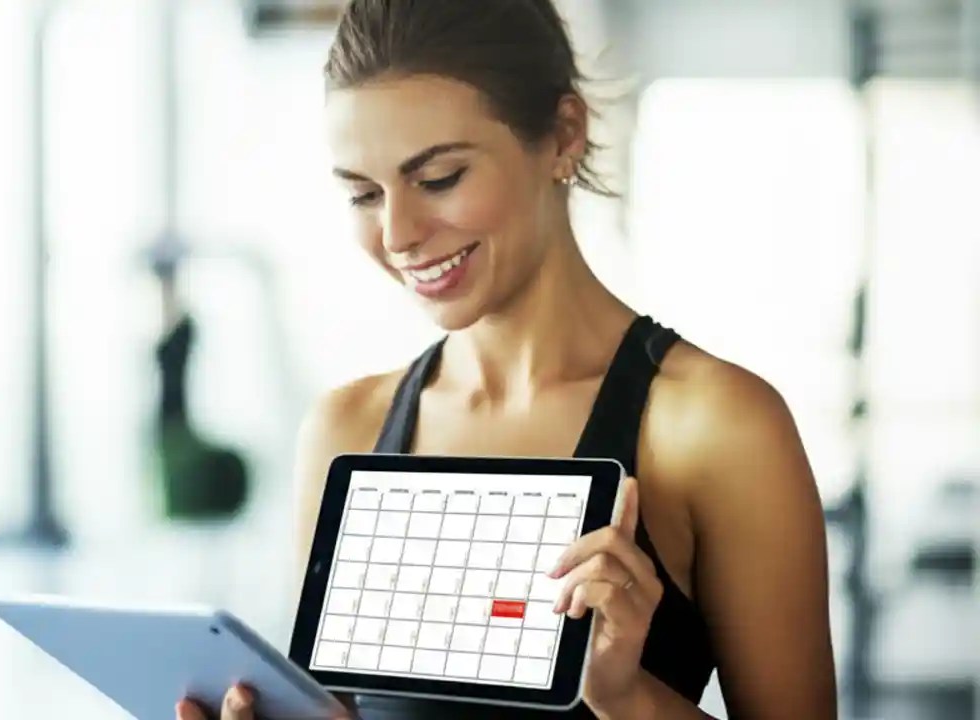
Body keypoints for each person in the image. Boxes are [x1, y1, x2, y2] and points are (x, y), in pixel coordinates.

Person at [177, 0, 837, 717]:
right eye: (364, 193)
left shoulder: (717, 426)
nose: (397, 233)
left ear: (563, 135)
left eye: (439, 179)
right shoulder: (346, 430)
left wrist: (627, 698)